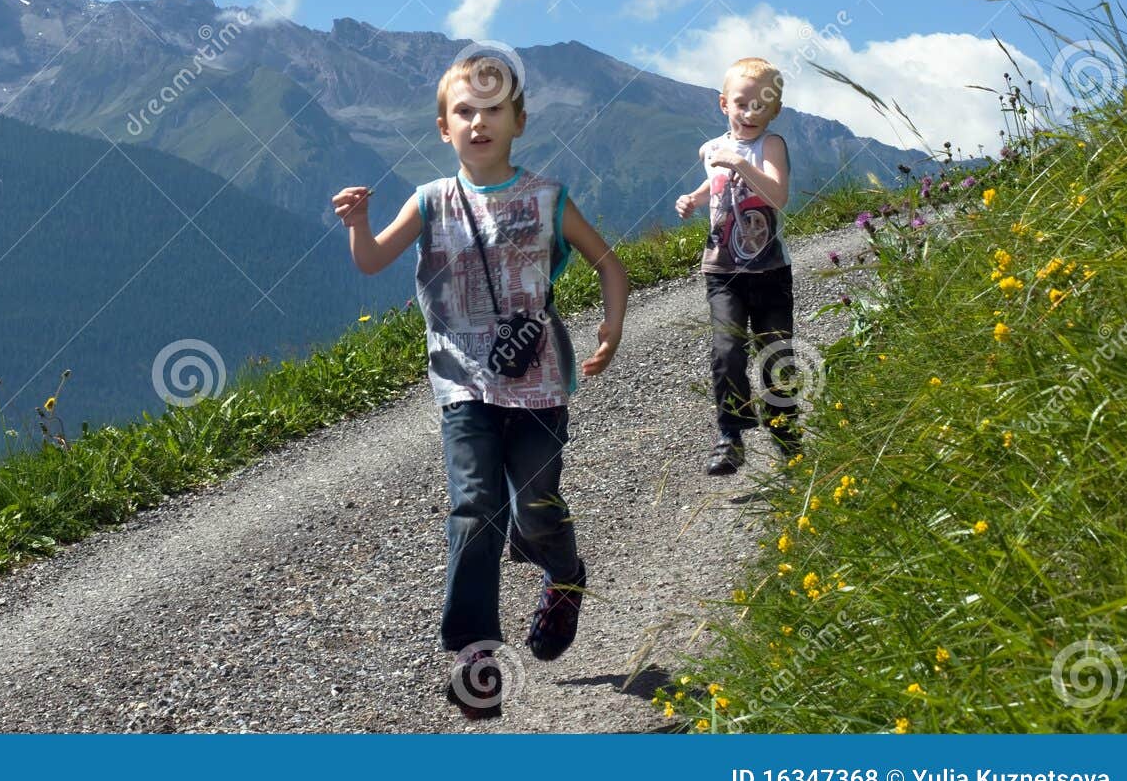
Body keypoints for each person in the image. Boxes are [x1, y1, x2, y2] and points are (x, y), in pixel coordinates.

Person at [331, 50, 627, 718]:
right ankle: (476, 652)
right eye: (464, 111)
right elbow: (375, 258)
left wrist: (611, 326)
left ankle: (565, 572)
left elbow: (610, 263)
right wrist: (356, 225)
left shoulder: (549, 198)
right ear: (443, 127)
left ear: (518, 120)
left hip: (541, 386)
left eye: (493, 110)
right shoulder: (429, 200)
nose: (478, 121)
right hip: (463, 387)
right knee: (474, 506)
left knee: (534, 510)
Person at [674, 57, 797, 475]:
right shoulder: (711, 149)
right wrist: (693, 198)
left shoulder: (771, 145)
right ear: (723, 103)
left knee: (775, 352)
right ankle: (730, 433)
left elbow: (777, 196)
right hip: (722, 271)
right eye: (740, 104)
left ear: (774, 110)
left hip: (770, 271)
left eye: (760, 106)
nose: (749, 113)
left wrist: (742, 163)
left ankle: (785, 429)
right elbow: (715, 179)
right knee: (726, 351)